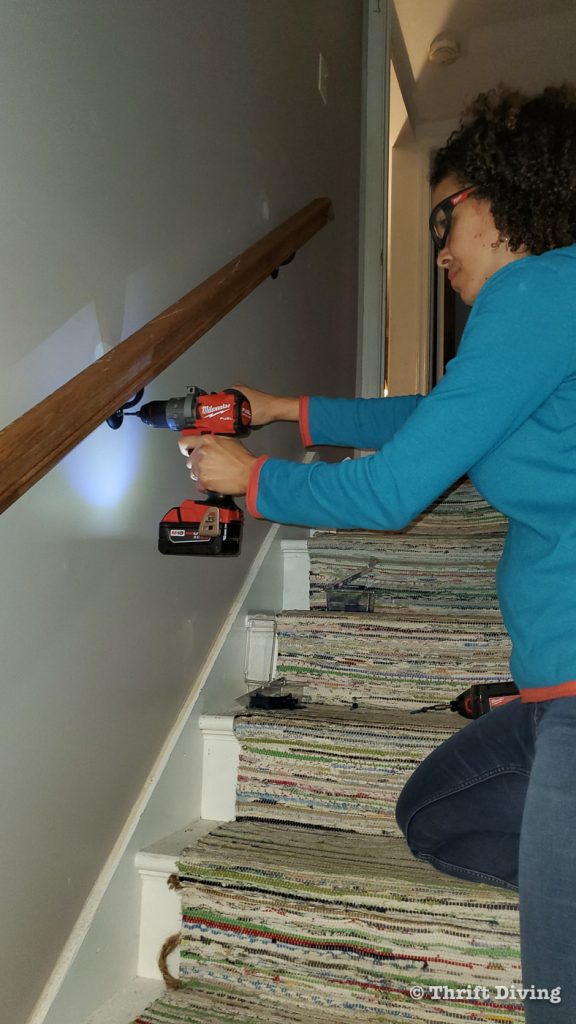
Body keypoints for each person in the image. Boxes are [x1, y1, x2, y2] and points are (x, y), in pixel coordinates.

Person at [180, 85, 576, 1021]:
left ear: (507, 196)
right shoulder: (548, 308)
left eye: (449, 214)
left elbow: (394, 490)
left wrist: (255, 481)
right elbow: (435, 420)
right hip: (553, 690)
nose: (440, 245)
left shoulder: (535, 290)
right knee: (433, 810)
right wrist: (291, 411)